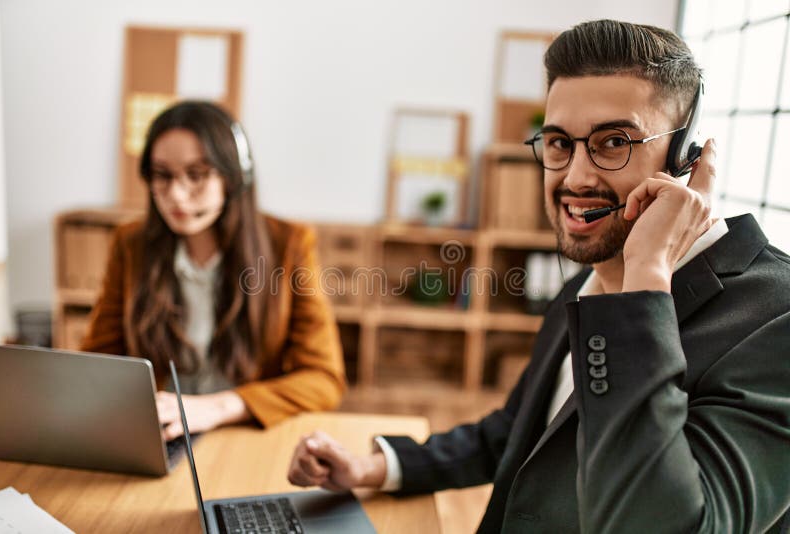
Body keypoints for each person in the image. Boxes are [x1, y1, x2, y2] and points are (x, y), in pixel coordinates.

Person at [286, 20, 790, 533]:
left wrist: (647, 276)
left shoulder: (777, 318)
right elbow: (519, 432)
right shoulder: (587, 284)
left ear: (686, 159)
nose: (574, 177)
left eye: (614, 141)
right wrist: (373, 468)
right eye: (557, 143)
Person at [81, 101, 346, 440]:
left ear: (234, 178)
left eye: (197, 174)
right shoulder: (130, 244)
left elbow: (324, 378)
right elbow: (97, 361)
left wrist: (220, 407)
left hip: (245, 434)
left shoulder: (289, 244)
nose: (176, 195)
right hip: (161, 436)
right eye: (162, 175)